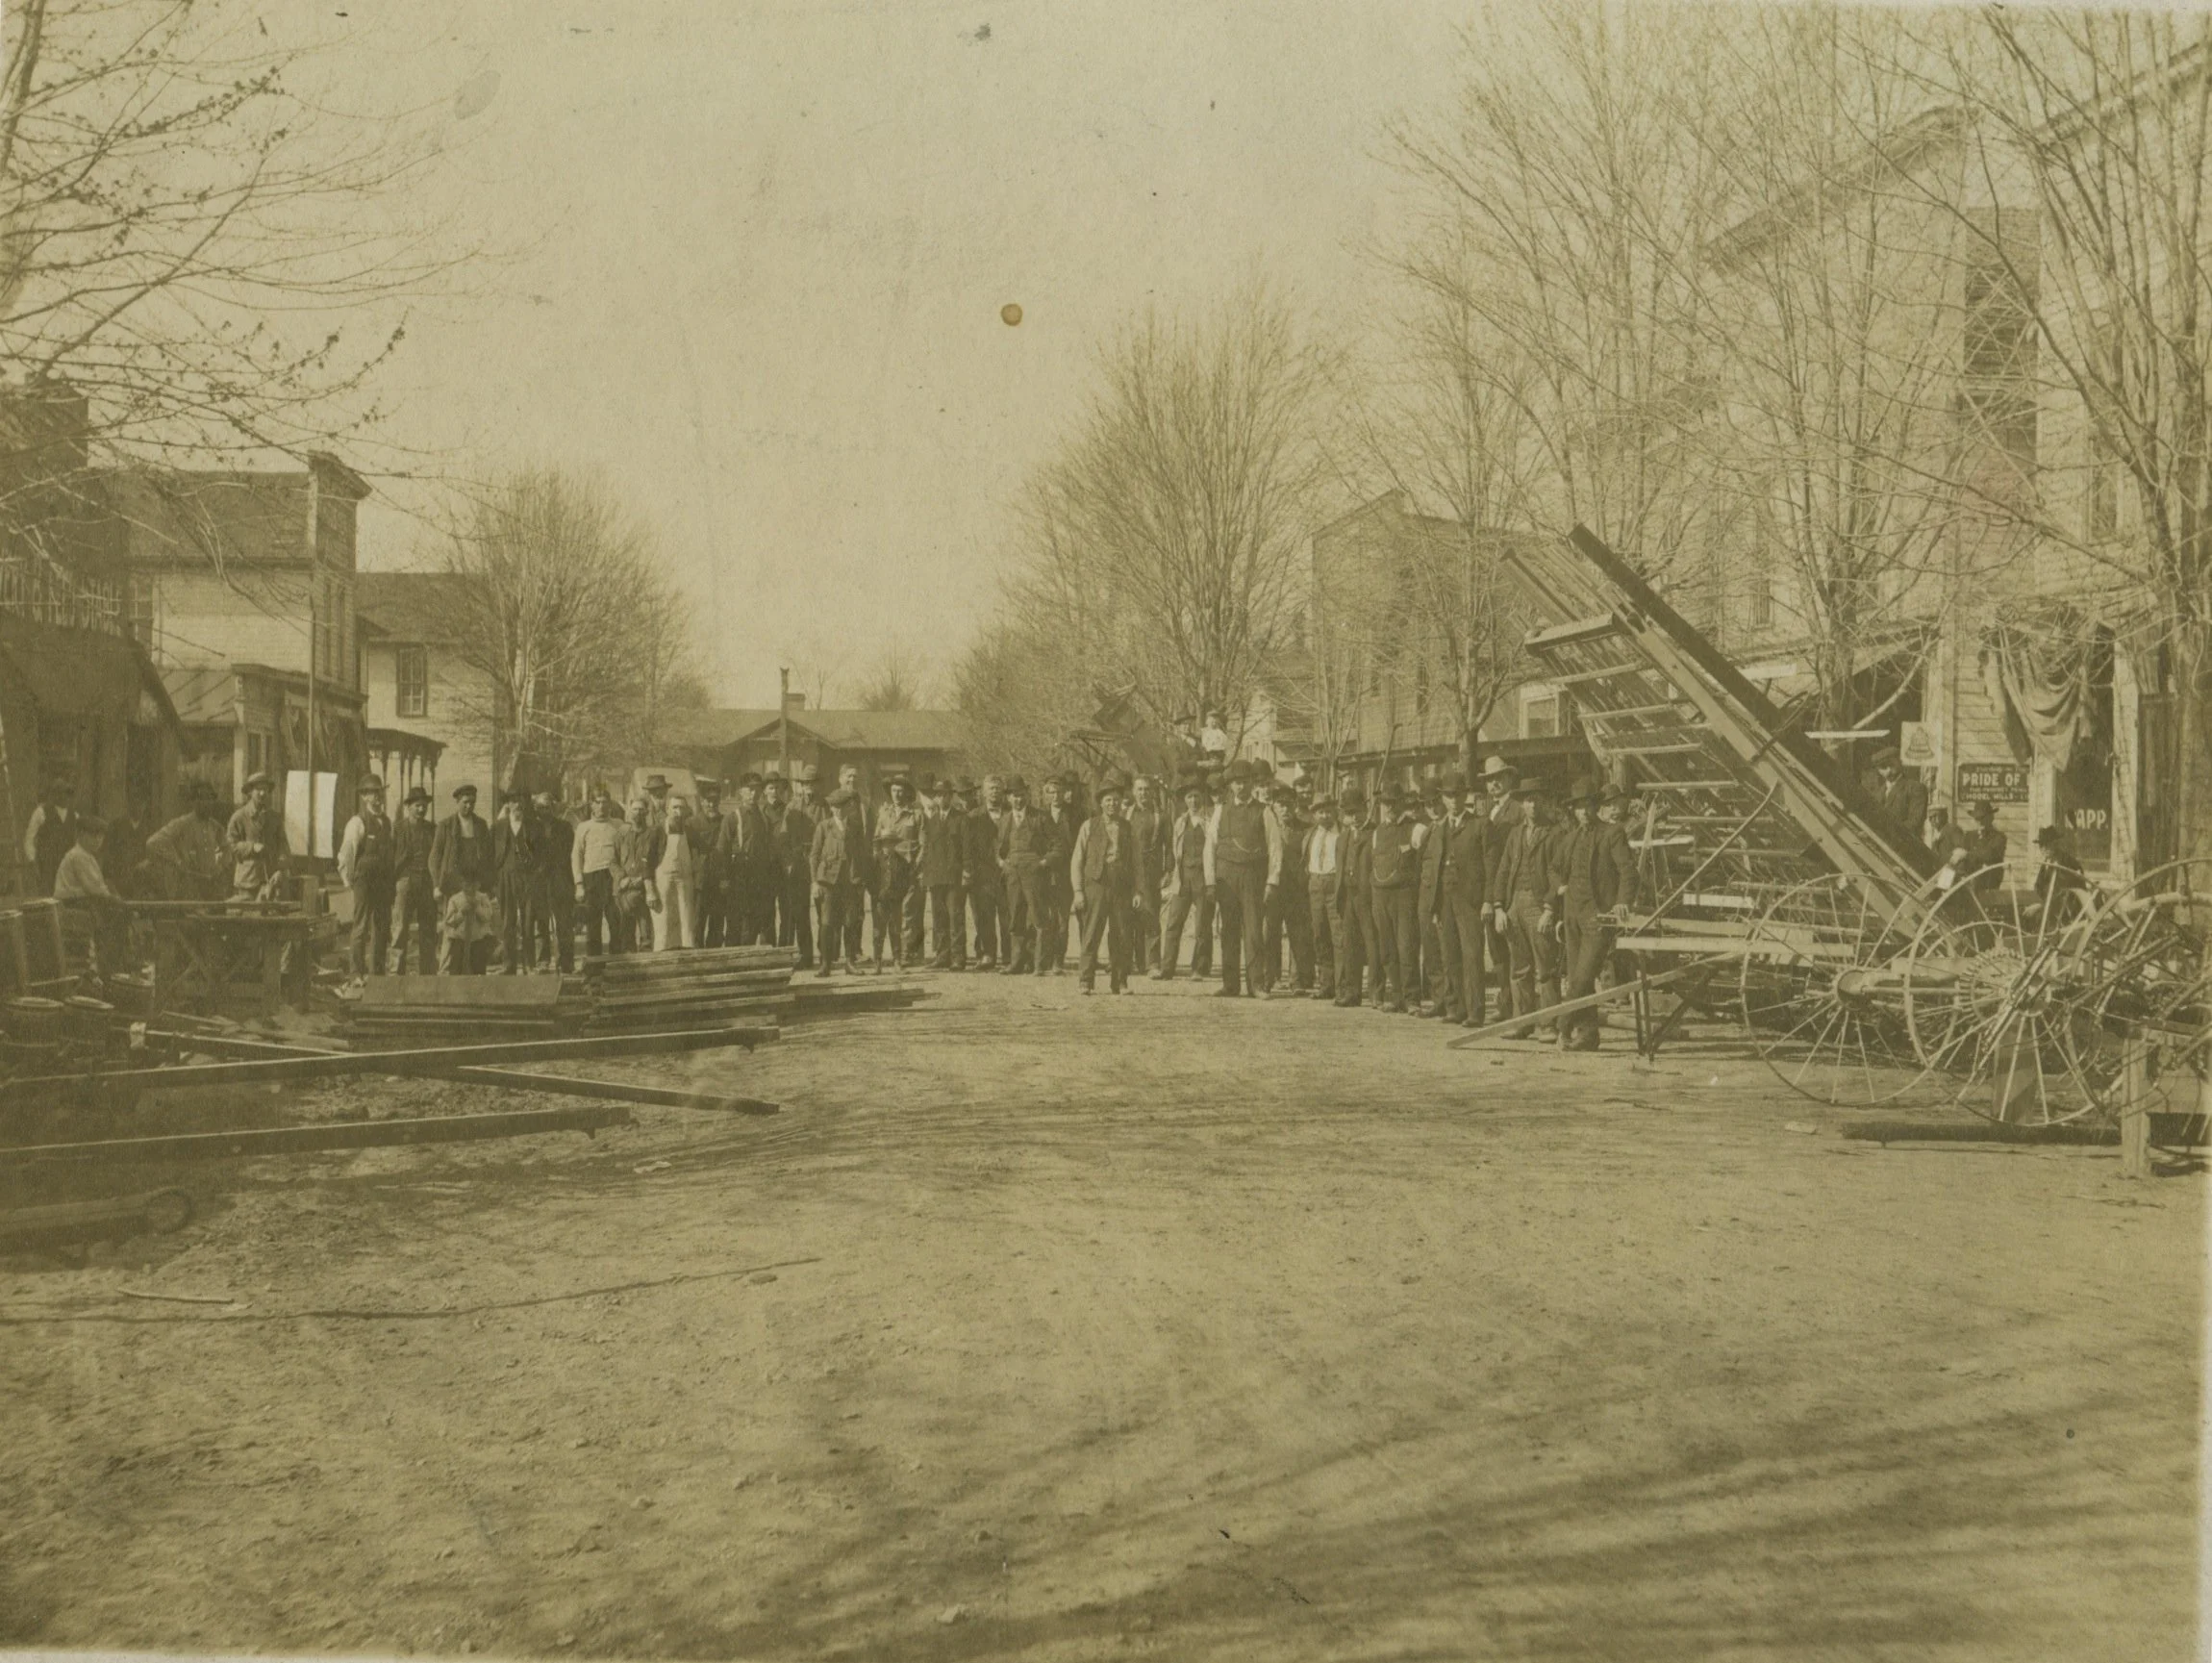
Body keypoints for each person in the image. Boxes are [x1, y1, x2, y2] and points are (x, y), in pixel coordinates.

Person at [1549, 781, 1639, 1051]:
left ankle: (1562, 1028)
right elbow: (1553, 869)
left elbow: (1628, 871)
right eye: (1578, 808)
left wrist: (1622, 902)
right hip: (1573, 917)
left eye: (1587, 806)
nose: (1583, 813)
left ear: (1596, 807)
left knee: (1581, 977)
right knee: (1580, 976)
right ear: (1574, 811)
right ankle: (1588, 1035)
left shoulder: (1612, 834)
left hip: (1599, 918)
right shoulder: (1570, 838)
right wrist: (1559, 886)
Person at [1204, 759, 1282, 998]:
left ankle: (1256, 984)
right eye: (1236, 783)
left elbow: (1275, 847)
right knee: (1228, 931)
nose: (1241, 787)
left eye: (1245, 782)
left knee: (1254, 931)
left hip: (1253, 878)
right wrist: (1210, 881)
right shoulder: (1220, 810)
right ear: (1230, 785)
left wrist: (1272, 881)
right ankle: (1230, 984)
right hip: (1227, 877)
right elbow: (1210, 847)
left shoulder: (1265, 811)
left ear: (1252, 783)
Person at [1490, 775, 1560, 1039]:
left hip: (1538, 904)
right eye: (1528, 801)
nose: (1532, 806)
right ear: (1522, 804)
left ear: (1545, 802)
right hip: (1514, 903)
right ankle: (1522, 1022)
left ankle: (1548, 1025)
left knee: (1545, 968)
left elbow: (1558, 873)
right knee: (1518, 968)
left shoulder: (1554, 834)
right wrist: (1499, 907)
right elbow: (1503, 870)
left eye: (1537, 800)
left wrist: (1550, 909)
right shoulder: (1515, 834)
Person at [1070, 774, 1139, 995]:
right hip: (1096, 885)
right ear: (1101, 802)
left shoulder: (1128, 828)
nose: (1113, 804)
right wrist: (1078, 891)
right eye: (1108, 800)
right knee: (1091, 933)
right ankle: (1085, 980)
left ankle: (1120, 981)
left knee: (1121, 934)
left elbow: (1137, 863)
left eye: (1116, 800)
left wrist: (1138, 890)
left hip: (1121, 886)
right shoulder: (1088, 826)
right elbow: (1077, 860)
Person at [1439, 774, 1492, 1026]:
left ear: (1465, 797)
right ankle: (1455, 1007)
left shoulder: (1480, 825)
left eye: (1458, 796)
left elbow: (1491, 866)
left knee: (1471, 956)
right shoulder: (1440, 828)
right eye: (1449, 796)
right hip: (1445, 899)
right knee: (1450, 954)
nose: (1453, 801)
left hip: (1470, 900)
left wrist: (1488, 900)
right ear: (1443, 799)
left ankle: (1475, 1011)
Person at [1367, 783, 1423, 1013]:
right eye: (1386, 803)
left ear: (1402, 803)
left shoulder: (1416, 829)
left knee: (1406, 946)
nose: (1389, 807)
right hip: (1381, 896)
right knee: (1387, 948)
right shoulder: (1377, 832)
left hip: (1405, 896)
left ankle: (1412, 999)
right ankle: (1398, 996)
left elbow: (1422, 865)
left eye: (1394, 803)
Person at [53, 815, 132, 972]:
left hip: (83, 902)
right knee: (117, 914)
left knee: (119, 911)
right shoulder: (78, 856)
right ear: (80, 834)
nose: (97, 840)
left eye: (101, 836)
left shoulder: (88, 856)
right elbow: (95, 889)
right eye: (92, 835)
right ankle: (111, 966)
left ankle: (118, 962)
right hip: (72, 905)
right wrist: (115, 899)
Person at [336, 774, 396, 979]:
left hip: (383, 883)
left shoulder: (388, 823)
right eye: (373, 793)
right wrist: (348, 880)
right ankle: (356, 974)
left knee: (381, 927)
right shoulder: (357, 822)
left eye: (380, 792)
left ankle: (377, 974)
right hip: (364, 882)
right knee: (360, 927)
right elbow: (347, 853)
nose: (378, 797)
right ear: (364, 797)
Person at [431, 784, 495, 971]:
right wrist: (436, 884)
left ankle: (473, 971)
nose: (469, 806)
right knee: (452, 929)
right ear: (457, 802)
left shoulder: (481, 825)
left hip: (475, 884)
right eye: (465, 802)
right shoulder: (445, 826)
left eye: (472, 803)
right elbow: (434, 857)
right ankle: (446, 970)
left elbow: (489, 857)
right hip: (452, 884)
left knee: (476, 930)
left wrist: (489, 885)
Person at [1155, 778, 1215, 980]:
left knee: (1202, 925)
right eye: (1189, 797)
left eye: (1197, 797)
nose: (1193, 801)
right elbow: (1173, 850)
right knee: (1173, 922)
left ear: (1203, 798)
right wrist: (1171, 874)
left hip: (1204, 878)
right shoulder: (1180, 822)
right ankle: (1167, 968)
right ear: (1185, 800)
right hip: (1183, 878)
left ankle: (1199, 967)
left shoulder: (1211, 822)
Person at [996, 776, 1053, 975]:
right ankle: (1017, 963)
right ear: (1009, 798)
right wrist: (1002, 863)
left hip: (1034, 873)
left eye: (1021, 796)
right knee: (1016, 917)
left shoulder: (1041, 817)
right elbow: (998, 848)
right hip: (1013, 874)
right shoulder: (1005, 819)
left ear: (1027, 795)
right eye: (1014, 796)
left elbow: (1058, 846)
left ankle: (1039, 964)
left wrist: (1043, 862)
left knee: (1038, 918)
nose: (1018, 800)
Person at [810, 784, 869, 974]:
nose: (837, 810)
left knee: (850, 922)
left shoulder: (855, 827)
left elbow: (861, 855)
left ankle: (850, 962)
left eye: (841, 806)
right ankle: (825, 964)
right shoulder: (824, 827)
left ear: (848, 807)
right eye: (834, 807)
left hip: (849, 882)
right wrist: (815, 882)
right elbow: (814, 855)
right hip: (828, 882)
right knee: (826, 923)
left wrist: (860, 880)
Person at [144, 781, 228, 901]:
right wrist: (177, 860)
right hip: (188, 888)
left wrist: (220, 866)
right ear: (193, 802)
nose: (206, 803)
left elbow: (227, 849)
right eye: (201, 798)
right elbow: (153, 842)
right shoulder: (182, 823)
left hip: (211, 888)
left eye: (210, 798)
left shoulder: (216, 827)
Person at [385, 786, 438, 972]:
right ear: (409, 807)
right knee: (399, 929)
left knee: (428, 929)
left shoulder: (432, 829)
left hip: (426, 882)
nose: (421, 810)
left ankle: (428, 973)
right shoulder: (398, 828)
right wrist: (392, 884)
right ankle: (395, 973)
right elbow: (391, 858)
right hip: (405, 881)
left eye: (424, 806)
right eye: (417, 806)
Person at [572, 787, 629, 960]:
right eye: (598, 802)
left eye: (605, 802)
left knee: (615, 921)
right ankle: (594, 967)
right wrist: (579, 884)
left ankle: (616, 963)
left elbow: (627, 852)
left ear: (610, 805)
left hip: (613, 878)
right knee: (593, 924)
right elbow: (576, 855)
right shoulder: (583, 827)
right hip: (592, 878)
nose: (602, 806)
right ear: (591, 805)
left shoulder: (619, 825)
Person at [870, 776, 920, 970]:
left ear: (906, 792)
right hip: (884, 872)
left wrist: (916, 866)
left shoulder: (915, 814)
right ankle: (879, 961)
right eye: (893, 791)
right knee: (880, 926)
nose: (897, 794)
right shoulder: (884, 812)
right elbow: (877, 838)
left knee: (905, 918)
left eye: (900, 791)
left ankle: (904, 956)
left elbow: (922, 842)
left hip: (907, 869)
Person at [1335, 786, 1377, 1007]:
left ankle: (1376, 994)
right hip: (1348, 895)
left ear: (1365, 809)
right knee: (1350, 945)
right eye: (1349, 813)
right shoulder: (1342, 839)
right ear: (1343, 815)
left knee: (1372, 945)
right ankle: (1352, 992)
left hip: (1367, 896)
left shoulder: (1374, 834)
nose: (1355, 817)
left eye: (1358, 811)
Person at [917, 776, 967, 970]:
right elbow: (928, 849)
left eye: (945, 794)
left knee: (956, 917)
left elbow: (967, 848)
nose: (941, 798)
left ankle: (958, 958)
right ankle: (942, 955)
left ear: (951, 796)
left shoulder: (960, 818)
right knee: (939, 918)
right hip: (936, 876)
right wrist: (925, 873)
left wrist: (967, 871)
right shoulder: (931, 820)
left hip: (954, 876)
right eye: (938, 795)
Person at [490, 793, 540, 972]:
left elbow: (542, 855)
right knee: (507, 922)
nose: (518, 804)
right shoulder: (498, 827)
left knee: (528, 922)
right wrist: (494, 881)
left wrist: (535, 876)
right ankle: (509, 965)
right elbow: (490, 854)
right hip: (505, 878)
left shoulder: (534, 826)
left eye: (521, 801)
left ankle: (529, 964)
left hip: (527, 879)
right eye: (513, 801)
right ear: (508, 804)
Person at [528, 788, 577, 970]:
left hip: (560, 879)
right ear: (535, 808)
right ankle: (543, 960)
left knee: (564, 922)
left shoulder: (564, 827)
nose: (544, 811)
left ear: (553, 808)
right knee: (541, 922)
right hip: (539, 880)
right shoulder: (530, 827)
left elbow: (569, 852)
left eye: (548, 807)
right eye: (540, 807)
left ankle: (565, 961)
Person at [1416, 779, 1452, 1017]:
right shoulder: (1428, 830)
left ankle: (1452, 1003)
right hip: (1425, 897)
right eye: (1428, 805)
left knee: (1448, 951)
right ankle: (1439, 1001)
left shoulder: (1452, 827)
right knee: (1431, 952)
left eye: (1436, 803)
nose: (1433, 808)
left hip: (1445, 897)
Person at [775, 770, 819, 967]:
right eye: (805, 783)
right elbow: (783, 837)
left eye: (812, 783)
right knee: (798, 911)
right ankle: (803, 955)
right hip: (798, 862)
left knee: (823, 911)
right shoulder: (792, 807)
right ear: (800, 786)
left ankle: (826, 955)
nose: (809, 787)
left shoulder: (824, 807)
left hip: (818, 862)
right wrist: (789, 862)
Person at [225, 769, 290, 900]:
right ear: (250, 792)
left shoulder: (274, 818)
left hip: (270, 880)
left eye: (265, 790)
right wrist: (251, 847)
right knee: (247, 916)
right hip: (247, 881)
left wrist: (280, 869)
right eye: (258, 789)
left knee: (272, 917)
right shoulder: (239, 817)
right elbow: (230, 846)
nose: (262, 793)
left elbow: (283, 846)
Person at [1127, 773, 1169, 976]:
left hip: (1151, 870)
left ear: (1152, 792)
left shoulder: (1160, 816)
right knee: (1129, 915)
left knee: (1151, 914)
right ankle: (1132, 961)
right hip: (1128, 870)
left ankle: (1152, 964)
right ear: (1134, 792)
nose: (1143, 793)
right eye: (1140, 789)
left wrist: (1168, 870)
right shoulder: (1126, 814)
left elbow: (1169, 846)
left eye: (1146, 789)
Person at [956, 779, 999, 970]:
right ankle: (987, 953)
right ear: (983, 793)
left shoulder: (1010, 813)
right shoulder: (973, 817)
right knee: (983, 915)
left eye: (998, 789)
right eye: (990, 789)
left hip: (1006, 872)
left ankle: (1011, 956)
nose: (994, 792)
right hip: (982, 873)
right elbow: (968, 847)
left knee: (1009, 916)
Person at [648, 794, 699, 952]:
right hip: (663, 880)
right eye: (674, 807)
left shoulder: (690, 832)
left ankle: (686, 958)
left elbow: (698, 855)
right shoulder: (657, 831)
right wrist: (650, 890)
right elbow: (647, 864)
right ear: (667, 809)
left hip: (684, 879)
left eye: (681, 808)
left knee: (686, 920)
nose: (678, 812)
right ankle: (661, 958)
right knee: (663, 920)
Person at [729, 773, 776, 945]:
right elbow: (722, 849)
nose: (753, 794)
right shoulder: (734, 818)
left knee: (759, 920)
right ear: (741, 792)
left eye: (757, 789)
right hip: (740, 876)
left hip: (760, 876)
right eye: (749, 790)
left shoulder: (764, 817)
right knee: (741, 922)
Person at [1302, 794, 1341, 1001]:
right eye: (1320, 812)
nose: (1324, 816)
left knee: (1338, 935)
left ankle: (1342, 985)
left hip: (1334, 884)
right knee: (1320, 934)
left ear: (1335, 812)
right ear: (1314, 814)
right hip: (1315, 884)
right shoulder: (1311, 834)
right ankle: (1326, 984)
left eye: (1328, 811)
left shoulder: (1342, 833)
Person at [1038, 774, 1078, 973]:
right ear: (1045, 795)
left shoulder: (1074, 814)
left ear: (1065, 793)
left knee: (1063, 919)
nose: (1055, 796)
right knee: (1045, 918)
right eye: (1051, 792)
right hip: (1044, 872)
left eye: (1059, 792)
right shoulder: (1039, 815)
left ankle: (1058, 961)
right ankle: (1042, 959)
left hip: (1066, 873)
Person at [691, 777, 732, 947]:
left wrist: (725, 877)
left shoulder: (726, 822)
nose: (711, 805)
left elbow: (729, 853)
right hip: (698, 882)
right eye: (708, 801)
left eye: (715, 801)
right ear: (701, 801)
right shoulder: (691, 824)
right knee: (697, 923)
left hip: (719, 882)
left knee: (717, 925)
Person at [22, 775, 78, 896]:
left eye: (68, 794)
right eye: (62, 793)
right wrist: (32, 860)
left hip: (66, 866)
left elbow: (78, 843)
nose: (66, 797)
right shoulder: (41, 812)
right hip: (46, 865)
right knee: (47, 899)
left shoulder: (75, 816)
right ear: (55, 794)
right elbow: (29, 839)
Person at [614, 794, 656, 952]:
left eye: (641, 810)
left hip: (644, 889)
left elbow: (657, 860)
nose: (638, 813)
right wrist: (621, 878)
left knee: (646, 933)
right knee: (626, 933)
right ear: (629, 812)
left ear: (646, 812)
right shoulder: (622, 834)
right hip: (624, 889)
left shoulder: (653, 834)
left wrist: (642, 879)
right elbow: (613, 861)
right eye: (635, 809)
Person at [1871, 748, 1929, 850]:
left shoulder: (1915, 788)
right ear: (1878, 770)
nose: (1888, 770)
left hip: (1906, 848)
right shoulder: (1877, 794)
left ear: (1900, 762)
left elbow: (1915, 822)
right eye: (1883, 767)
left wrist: (1887, 833)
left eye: (1892, 765)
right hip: (1880, 849)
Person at [1958, 799, 2008, 894]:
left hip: (1989, 885)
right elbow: (1961, 859)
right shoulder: (1969, 837)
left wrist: (1967, 855)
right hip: (1969, 883)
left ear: (1991, 818)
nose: (1980, 822)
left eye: (1983, 818)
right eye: (1977, 818)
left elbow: (1989, 855)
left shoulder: (1999, 837)